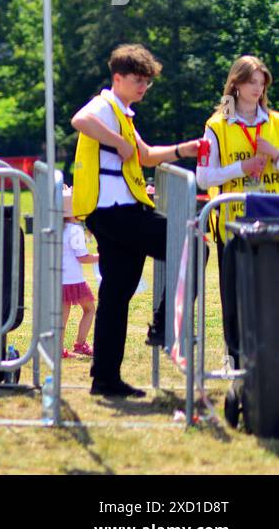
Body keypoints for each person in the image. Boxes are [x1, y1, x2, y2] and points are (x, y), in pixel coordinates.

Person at [71, 44, 202, 398]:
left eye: (147, 81)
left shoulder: (123, 112)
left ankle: (105, 379)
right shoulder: (106, 105)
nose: (143, 86)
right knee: (192, 244)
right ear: (118, 78)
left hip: (113, 213)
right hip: (116, 211)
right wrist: (116, 142)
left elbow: (143, 155)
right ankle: (163, 323)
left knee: (116, 294)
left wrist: (183, 149)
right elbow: (79, 120)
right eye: (138, 80)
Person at [196, 55, 279, 370]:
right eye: (251, 82)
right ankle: (234, 360)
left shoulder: (275, 121)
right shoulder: (216, 124)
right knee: (234, 296)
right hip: (232, 223)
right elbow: (204, 177)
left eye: (262, 82)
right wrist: (240, 168)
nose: (257, 88)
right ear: (236, 84)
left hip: (272, 219)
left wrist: (276, 155)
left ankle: (270, 359)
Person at [60, 188, 98, 359]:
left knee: (62, 317)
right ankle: (80, 344)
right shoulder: (75, 231)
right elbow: (82, 257)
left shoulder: (57, 227)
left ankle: (58, 348)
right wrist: (100, 257)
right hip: (73, 280)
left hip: (58, 278)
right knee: (90, 309)